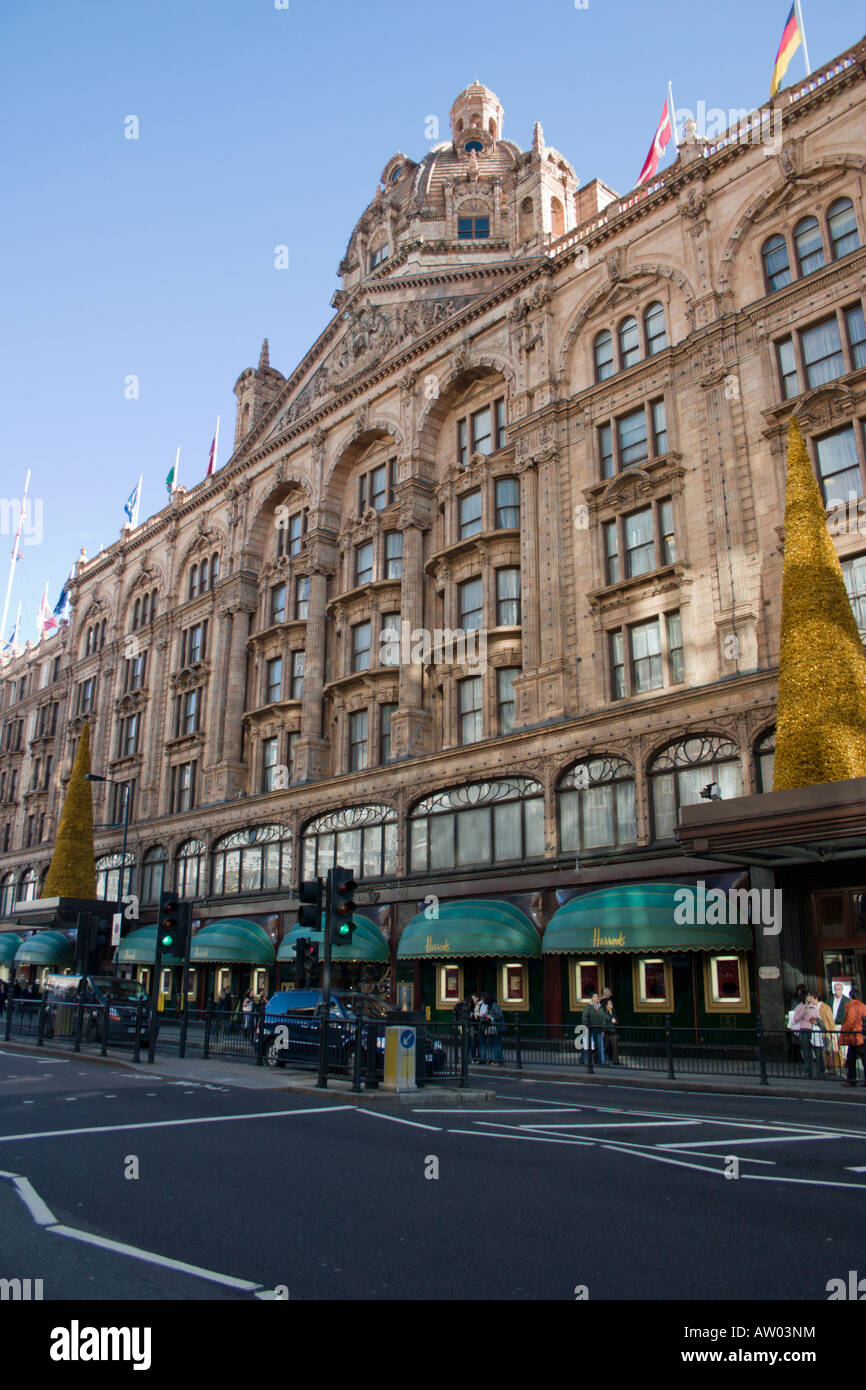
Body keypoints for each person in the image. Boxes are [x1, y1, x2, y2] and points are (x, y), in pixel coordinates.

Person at [792, 993, 825, 1078]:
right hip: (804, 1030)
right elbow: (795, 1019)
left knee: (818, 1052)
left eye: (811, 996)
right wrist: (802, 1013)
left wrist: (815, 1020)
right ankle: (808, 1072)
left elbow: (818, 1018)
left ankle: (821, 1072)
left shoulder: (813, 1007)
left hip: (813, 1030)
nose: (810, 997)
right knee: (807, 1052)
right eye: (808, 996)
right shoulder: (799, 1007)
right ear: (804, 998)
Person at [840, 988, 866, 1087]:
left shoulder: (852, 1007)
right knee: (864, 1058)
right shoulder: (863, 1006)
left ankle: (851, 1080)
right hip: (862, 1035)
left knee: (851, 1059)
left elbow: (850, 1022)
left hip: (854, 1036)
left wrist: (844, 1031)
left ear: (851, 996)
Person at [581, 992, 607, 1067]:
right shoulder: (588, 1007)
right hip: (591, 1029)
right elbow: (584, 1018)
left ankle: (602, 1061)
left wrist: (603, 1029)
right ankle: (583, 1059)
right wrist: (587, 1026)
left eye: (597, 997)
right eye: (595, 997)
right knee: (587, 1045)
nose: (596, 998)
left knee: (600, 1046)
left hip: (599, 1029)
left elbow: (603, 1019)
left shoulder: (600, 1007)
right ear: (592, 998)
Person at [481, 992, 505, 1065]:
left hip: (497, 1027)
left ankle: (498, 1061)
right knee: (494, 1043)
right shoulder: (490, 1005)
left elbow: (500, 1015)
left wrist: (491, 1017)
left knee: (497, 1044)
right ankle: (495, 1060)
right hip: (494, 1027)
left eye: (483, 998)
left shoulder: (494, 1005)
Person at [602, 996, 619, 1065]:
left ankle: (615, 1060)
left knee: (615, 1046)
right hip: (606, 1031)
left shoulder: (614, 1013)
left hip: (613, 1031)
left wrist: (615, 1020)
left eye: (611, 1003)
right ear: (606, 1006)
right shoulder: (605, 1013)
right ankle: (597, 1058)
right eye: (609, 1004)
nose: (611, 1005)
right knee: (604, 1046)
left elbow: (616, 1021)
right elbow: (608, 1019)